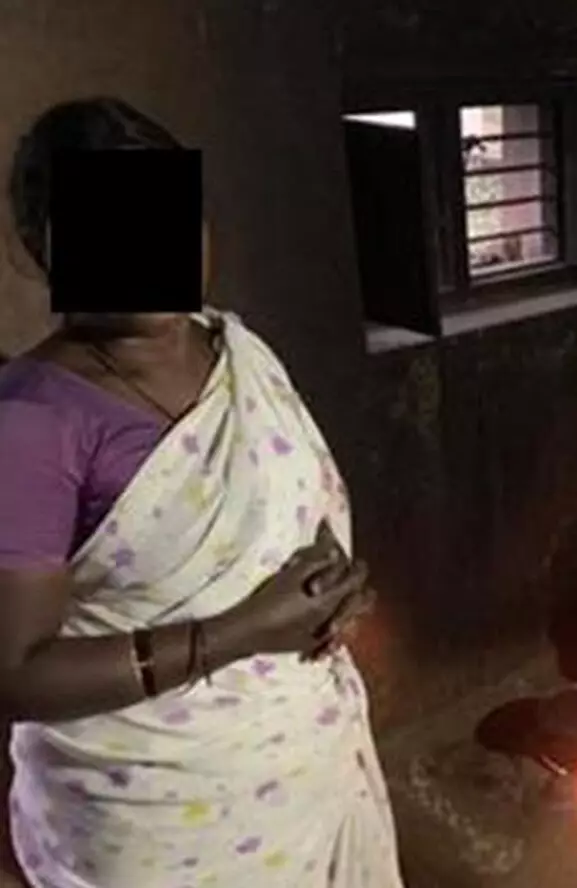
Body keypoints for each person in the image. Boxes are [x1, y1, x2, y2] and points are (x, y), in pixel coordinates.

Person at [0, 98, 402, 886]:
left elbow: (285, 517)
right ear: (43, 248)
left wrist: (335, 593)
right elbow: (13, 674)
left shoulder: (240, 352)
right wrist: (246, 631)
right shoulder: (32, 422)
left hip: (307, 773)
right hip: (160, 829)